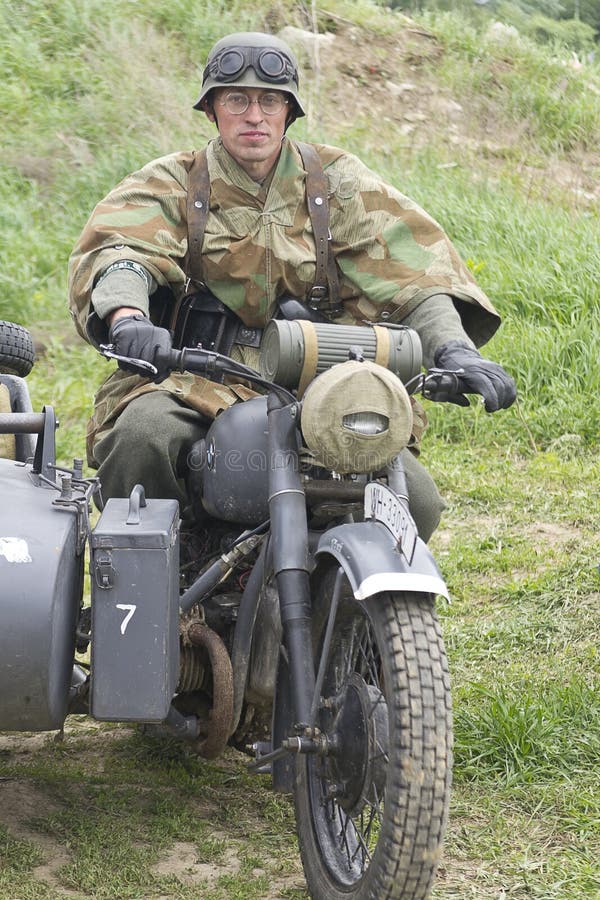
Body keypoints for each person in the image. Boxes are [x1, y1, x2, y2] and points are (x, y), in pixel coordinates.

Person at [68, 30, 516, 541]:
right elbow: (123, 249)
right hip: (190, 378)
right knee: (141, 439)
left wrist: (454, 350)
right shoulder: (172, 181)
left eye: (269, 100)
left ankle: (357, 612)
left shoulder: (338, 182)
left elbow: (413, 272)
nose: (253, 115)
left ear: (289, 111)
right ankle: (163, 594)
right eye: (236, 99)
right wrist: (129, 319)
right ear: (212, 109)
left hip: (319, 386)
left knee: (416, 502)